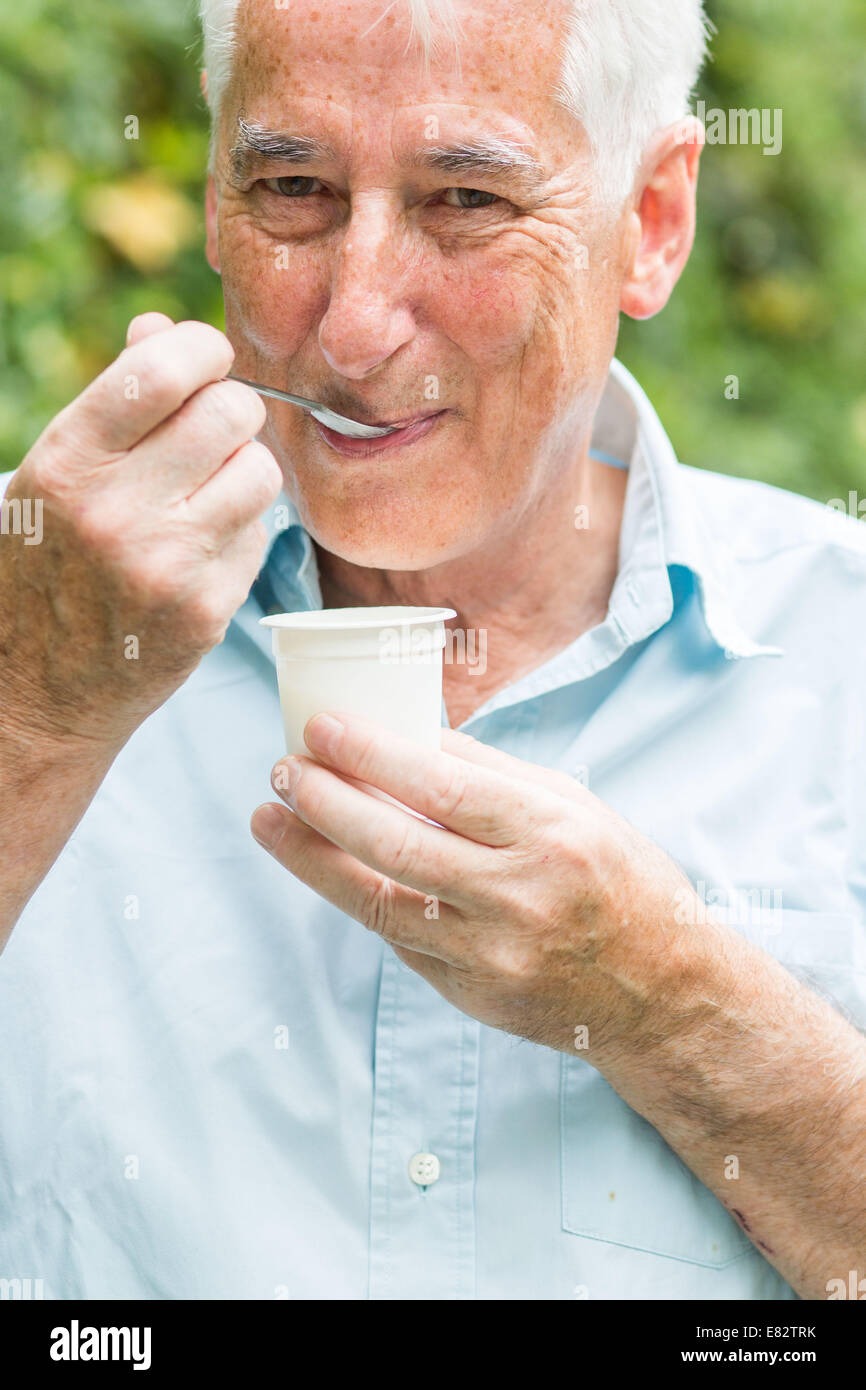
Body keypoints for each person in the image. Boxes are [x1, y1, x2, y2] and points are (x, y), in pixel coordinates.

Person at [1, 0, 864, 1301]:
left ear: (651, 222)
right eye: (291, 188)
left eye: (464, 198)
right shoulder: (36, 602)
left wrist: (668, 1000)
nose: (350, 331)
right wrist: (31, 714)